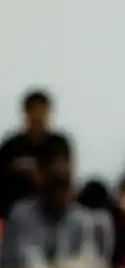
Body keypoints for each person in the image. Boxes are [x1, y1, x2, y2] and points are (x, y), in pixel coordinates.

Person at [0, 89, 73, 222]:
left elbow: (65, 176)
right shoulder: (12, 145)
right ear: (25, 114)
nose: (38, 117)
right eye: (33, 112)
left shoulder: (59, 144)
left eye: (41, 112)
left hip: (50, 208)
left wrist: (39, 175)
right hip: (13, 207)